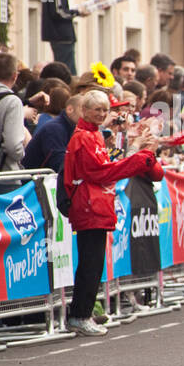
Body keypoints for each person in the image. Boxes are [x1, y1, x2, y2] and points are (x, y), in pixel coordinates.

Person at [62, 90, 163, 335]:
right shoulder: (84, 137)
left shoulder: (93, 134)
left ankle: (83, 314)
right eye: (97, 109)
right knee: (90, 262)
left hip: (96, 203)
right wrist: (139, 159)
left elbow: (102, 170)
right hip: (89, 204)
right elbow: (100, 172)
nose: (102, 113)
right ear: (84, 111)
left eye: (105, 109)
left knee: (94, 263)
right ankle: (80, 315)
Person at [41, 0, 86, 73]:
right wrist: (78, 12)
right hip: (61, 35)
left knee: (65, 68)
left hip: (58, 35)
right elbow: (58, 12)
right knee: (67, 71)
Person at [22, 92, 81, 172]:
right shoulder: (55, 128)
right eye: (83, 110)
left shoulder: (72, 127)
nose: (87, 114)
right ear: (70, 109)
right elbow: (58, 163)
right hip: (34, 181)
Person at [0, 54, 26, 172]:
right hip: (5, 173)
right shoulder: (12, 102)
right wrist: (21, 155)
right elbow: (13, 145)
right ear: (15, 76)